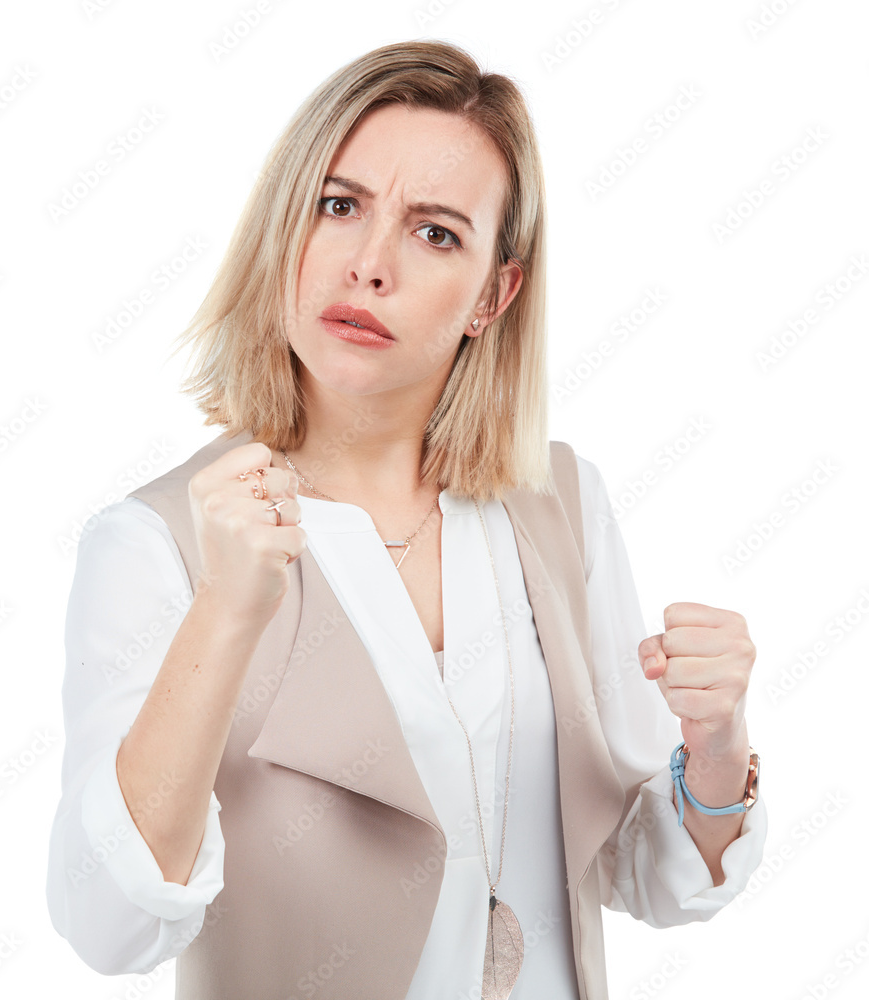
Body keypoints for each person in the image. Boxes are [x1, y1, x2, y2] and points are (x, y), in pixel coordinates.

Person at [46, 40, 767, 999]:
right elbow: (109, 922)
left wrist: (717, 747)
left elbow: (641, 870)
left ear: (492, 295)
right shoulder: (157, 542)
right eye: (339, 207)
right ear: (283, 231)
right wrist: (224, 613)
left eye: (435, 233)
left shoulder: (562, 507)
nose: (370, 265)